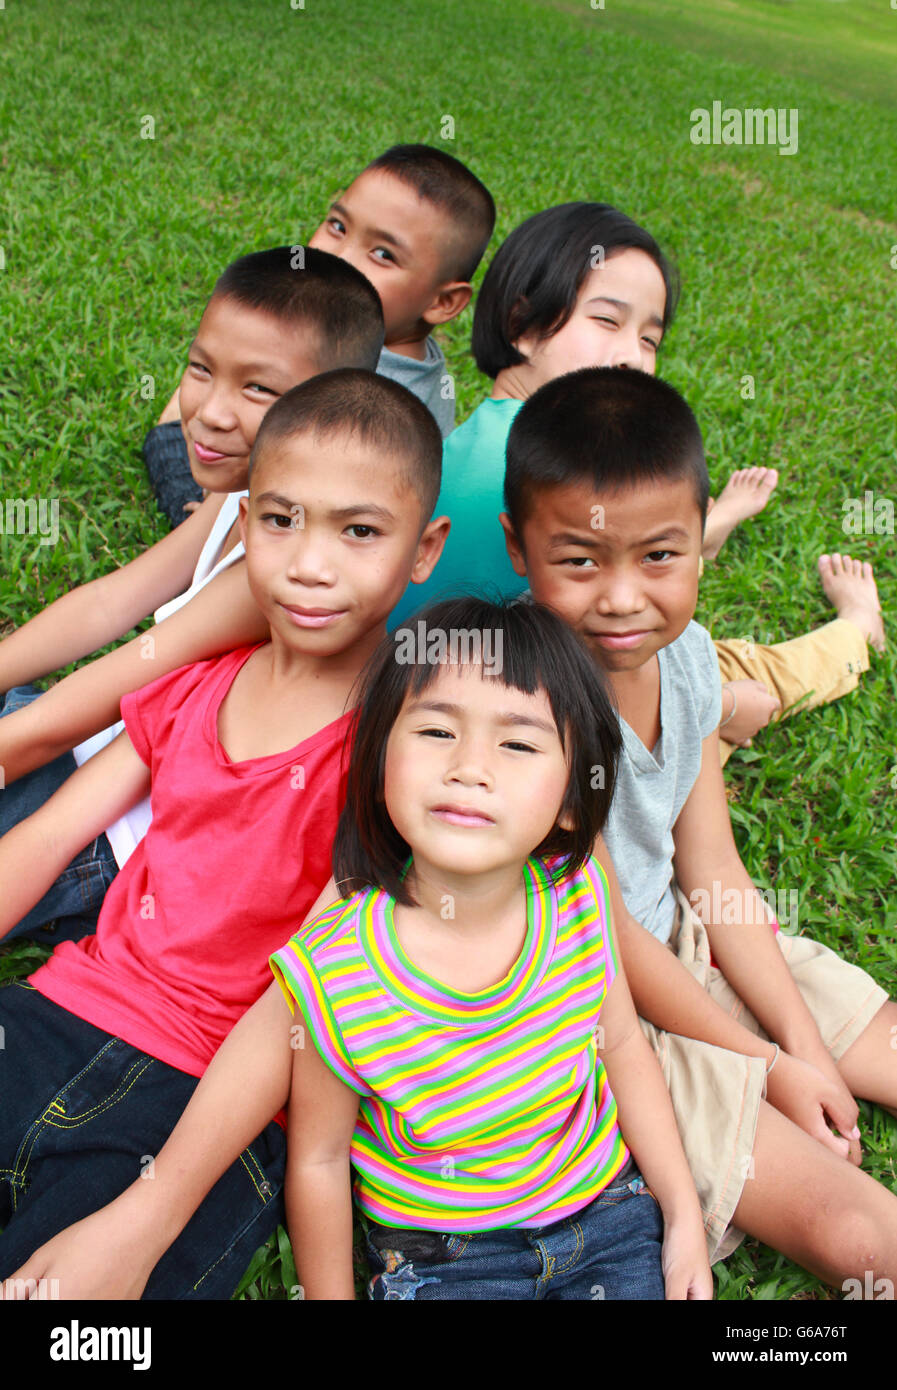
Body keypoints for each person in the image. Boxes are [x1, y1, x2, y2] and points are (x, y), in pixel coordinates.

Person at [6, 599, 713, 1302]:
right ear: (376, 766)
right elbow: (318, 1158)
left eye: (518, 745)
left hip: (609, 1220)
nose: (469, 767)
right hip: (444, 1261)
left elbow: (619, 1042)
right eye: (436, 731)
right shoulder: (335, 968)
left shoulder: (578, 889)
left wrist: (681, 1216)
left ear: (570, 801)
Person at [0, 369, 449, 1298]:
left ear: (423, 549)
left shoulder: (402, 756)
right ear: (241, 525)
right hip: (53, 1014)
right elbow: (46, 838)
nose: (310, 563)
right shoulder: (197, 683)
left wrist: (147, 1216)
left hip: (205, 1113)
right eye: (281, 520)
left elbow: (304, 1005)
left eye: (359, 531)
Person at [501, 365, 897, 1285]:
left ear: (699, 537)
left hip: (688, 940)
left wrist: (799, 1046)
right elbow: (598, 938)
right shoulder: (524, 702)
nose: (623, 598)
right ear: (517, 549)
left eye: (659, 556)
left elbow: (711, 866)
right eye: (579, 561)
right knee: (861, 1240)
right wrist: (763, 1062)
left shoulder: (681, 655)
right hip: (597, 1011)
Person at [390, 202, 884, 762]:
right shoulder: (533, 483)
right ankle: (855, 632)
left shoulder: (458, 446)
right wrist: (720, 707)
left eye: (649, 340)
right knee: (753, 674)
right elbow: (585, 685)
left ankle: (702, 534)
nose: (631, 358)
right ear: (522, 326)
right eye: (606, 321)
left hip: (448, 710)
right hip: (532, 738)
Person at [0, 247, 385, 942]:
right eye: (202, 369)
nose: (207, 412)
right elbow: (111, 602)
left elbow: (105, 688)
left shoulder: (286, 571)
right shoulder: (243, 494)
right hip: (90, 752)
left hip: (106, 838)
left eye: (257, 391)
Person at [145, 145, 496, 523]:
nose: (339, 256)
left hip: (267, 526)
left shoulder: (368, 389)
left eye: (383, 254)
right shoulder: (420, 362)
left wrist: (215, 521)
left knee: (169, 435)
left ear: (443, 302)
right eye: (338, 227)